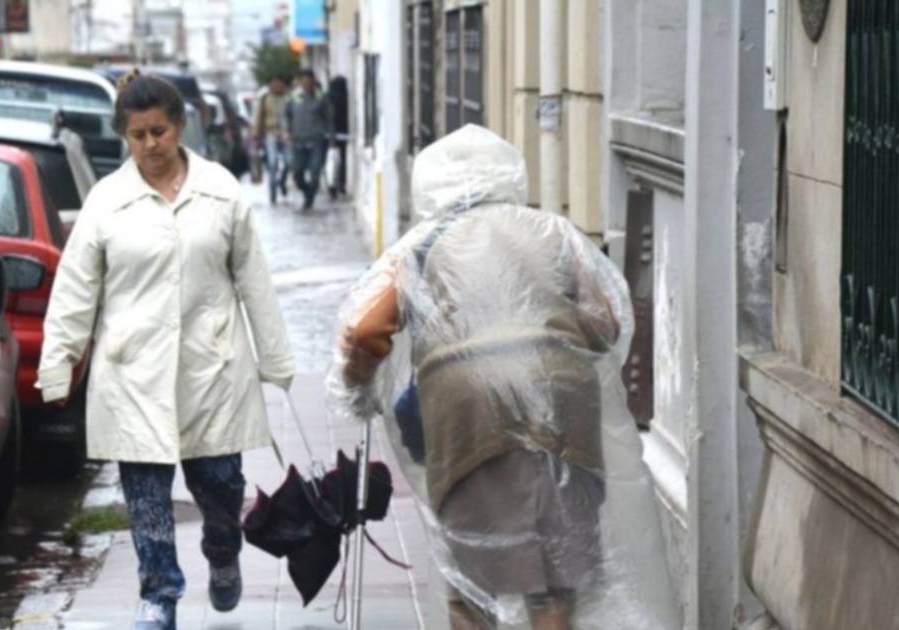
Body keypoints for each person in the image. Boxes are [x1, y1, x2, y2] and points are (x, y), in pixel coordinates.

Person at [328, 125, 674, 630]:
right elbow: (606, 325)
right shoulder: (554, 233)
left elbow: (363, 332)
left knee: (472, 588)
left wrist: (359, 388)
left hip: (471, 422)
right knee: (554, 586)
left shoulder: (417, 249)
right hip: (563, 414)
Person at [36, 70, 295, 630]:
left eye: (159, 131)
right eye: (138, 135)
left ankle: (223, 551)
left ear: (179, 127)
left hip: (212, 369)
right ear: (125, 137)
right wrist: (58, 364)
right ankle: (159, 596)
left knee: (221, 486)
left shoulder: (220, 190)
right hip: (133, 373)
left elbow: (254, 280)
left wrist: (276, 360)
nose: (150, 144)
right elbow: (76, 288)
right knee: (147, 499)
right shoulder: (107, 201)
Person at [283, 69, 333, 211]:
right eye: (303, 81)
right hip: (298, 141)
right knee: (297, 173)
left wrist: (331, 138)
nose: (306, 84)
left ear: (313, 81)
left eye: (308, 81)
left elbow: (329, 119)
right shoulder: (293, 97)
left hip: (316, 140)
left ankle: (309, 200)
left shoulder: (321, 97)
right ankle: (307, 192)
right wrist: (287, 131)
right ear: (300, 82)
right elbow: (287, 116)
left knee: (315, 171)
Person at [252, 74, 291, 204]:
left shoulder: (289, 97)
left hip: (286, 134)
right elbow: (259, 116)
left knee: (289, 162)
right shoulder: (265, 98)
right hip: (271, 134)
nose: (276, 86)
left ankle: (282, 181)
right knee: (272, 163)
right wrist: (256, 133)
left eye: (279, 83)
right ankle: (272, 192)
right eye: (274, 84)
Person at [326, 75, 349, 200]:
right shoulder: (346, 97)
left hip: (330, 134)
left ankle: (332, 185)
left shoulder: (329, 97)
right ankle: (341, 183)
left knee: (330, 161)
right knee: (342, 160)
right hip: (344, 133)